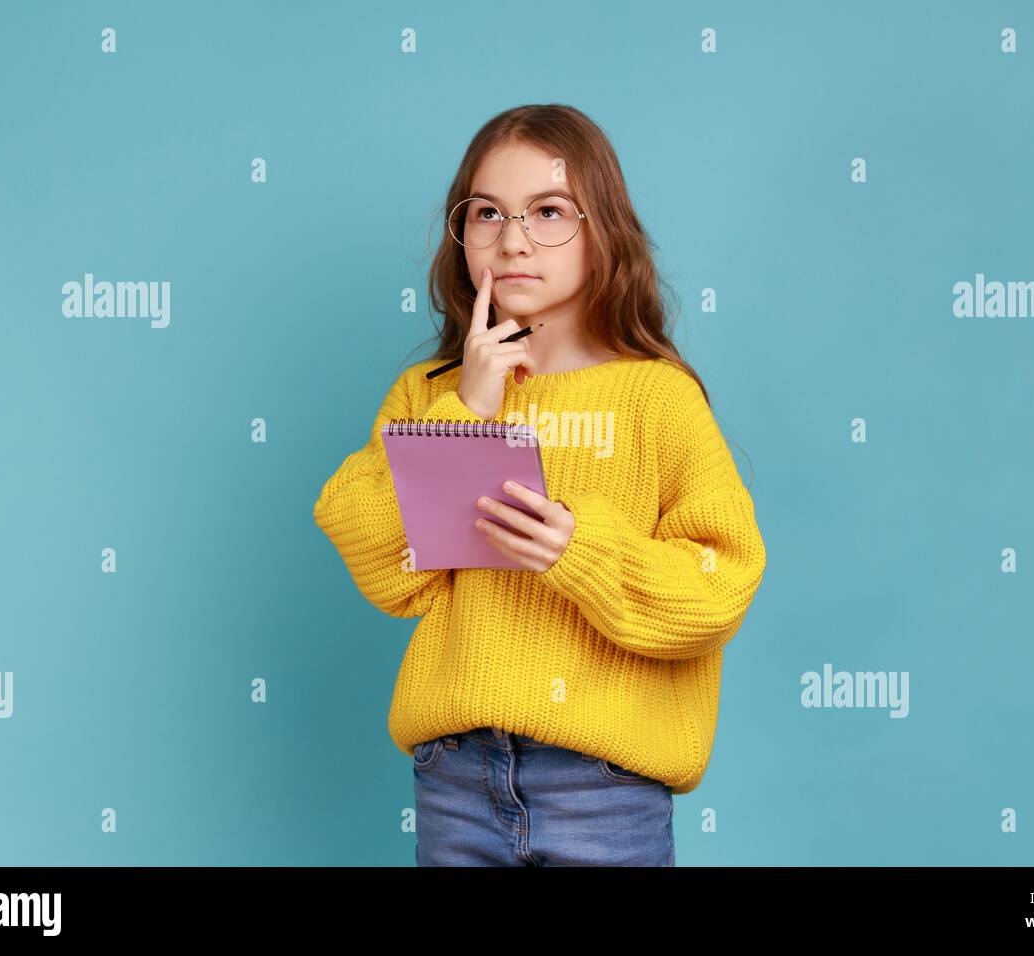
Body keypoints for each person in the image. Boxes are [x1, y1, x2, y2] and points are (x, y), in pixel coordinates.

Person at [313, 104, 767, 866]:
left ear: (603, 231)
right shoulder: (430, 395)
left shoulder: (657, 399)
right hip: (454, 777)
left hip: (604, 784)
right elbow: (380, 560)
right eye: (488, 213)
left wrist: (579, 549)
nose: (513, 240)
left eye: (548, 211)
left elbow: (719, 588)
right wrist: (468, 411)